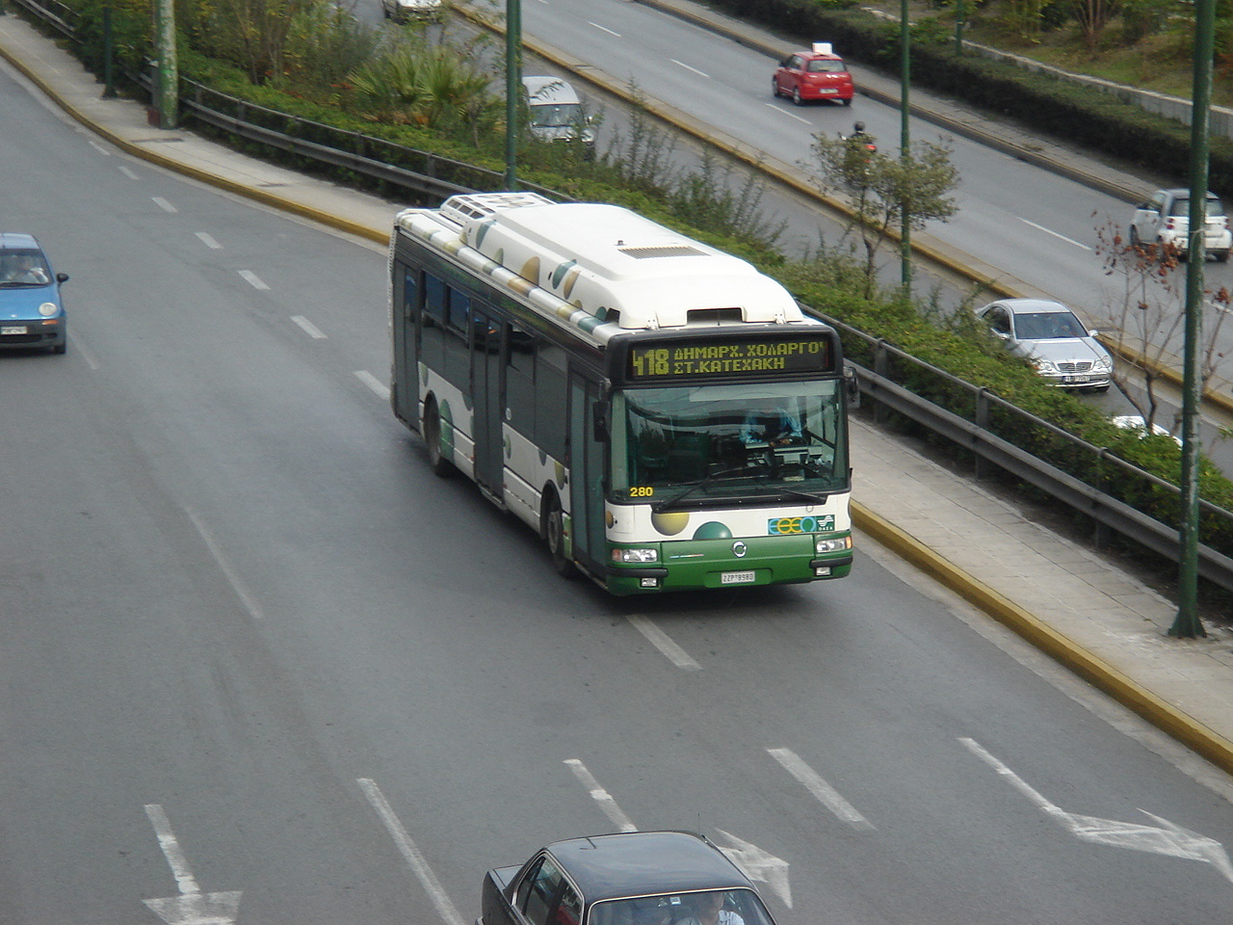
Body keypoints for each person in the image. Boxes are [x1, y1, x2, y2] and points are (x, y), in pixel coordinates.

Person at [674, 892, 744, 925]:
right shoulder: (684, 923)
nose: (713, 900)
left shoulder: (732, 919)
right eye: (707, 895)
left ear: (722, 899)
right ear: (697, 899)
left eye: (717, 895)